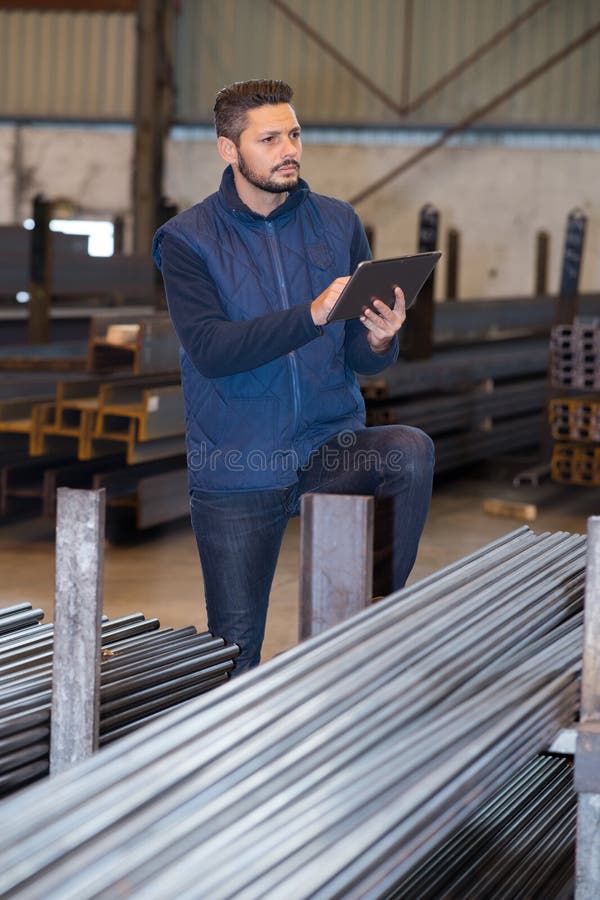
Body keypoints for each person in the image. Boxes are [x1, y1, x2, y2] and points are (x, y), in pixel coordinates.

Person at [152, 79, 434, 674]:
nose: (289, 150)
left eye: (295, 134)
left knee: (408, 450)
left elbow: (360, 355)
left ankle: (375, 613)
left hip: (329, 445)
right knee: (234, 653)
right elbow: (211, 350)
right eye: (270, 139)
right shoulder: (186, 240)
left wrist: (380, 337)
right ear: (229, 149)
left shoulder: (338, 222)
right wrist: (311, 315)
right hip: (238, 462)